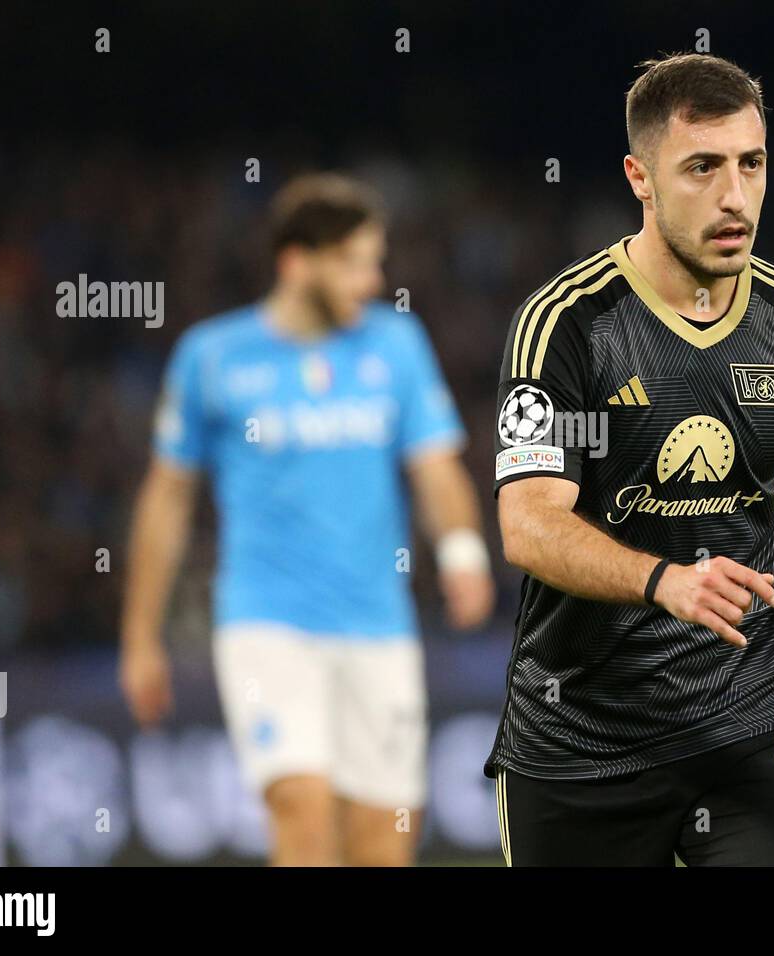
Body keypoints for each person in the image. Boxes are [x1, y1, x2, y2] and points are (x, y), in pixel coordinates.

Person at [488, 54, 774, 866]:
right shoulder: (569, 324)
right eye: (702, 168)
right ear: (640, 177)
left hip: (749, 716)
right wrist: (666, 581)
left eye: (752, 164)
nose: (735, 196)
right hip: (579, 738)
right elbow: (528, 523)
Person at [120, 173, 494, 866]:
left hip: (377, 625)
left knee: (383, 844)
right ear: (297, 263)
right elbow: (166, 499)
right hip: (267, 624)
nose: (372, 280)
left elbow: (436, 466)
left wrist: (464, 553)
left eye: (375, 261)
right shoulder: (214, 357)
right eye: (354, 263)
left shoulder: (396, 346)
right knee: (302, 809)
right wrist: (142, 635)